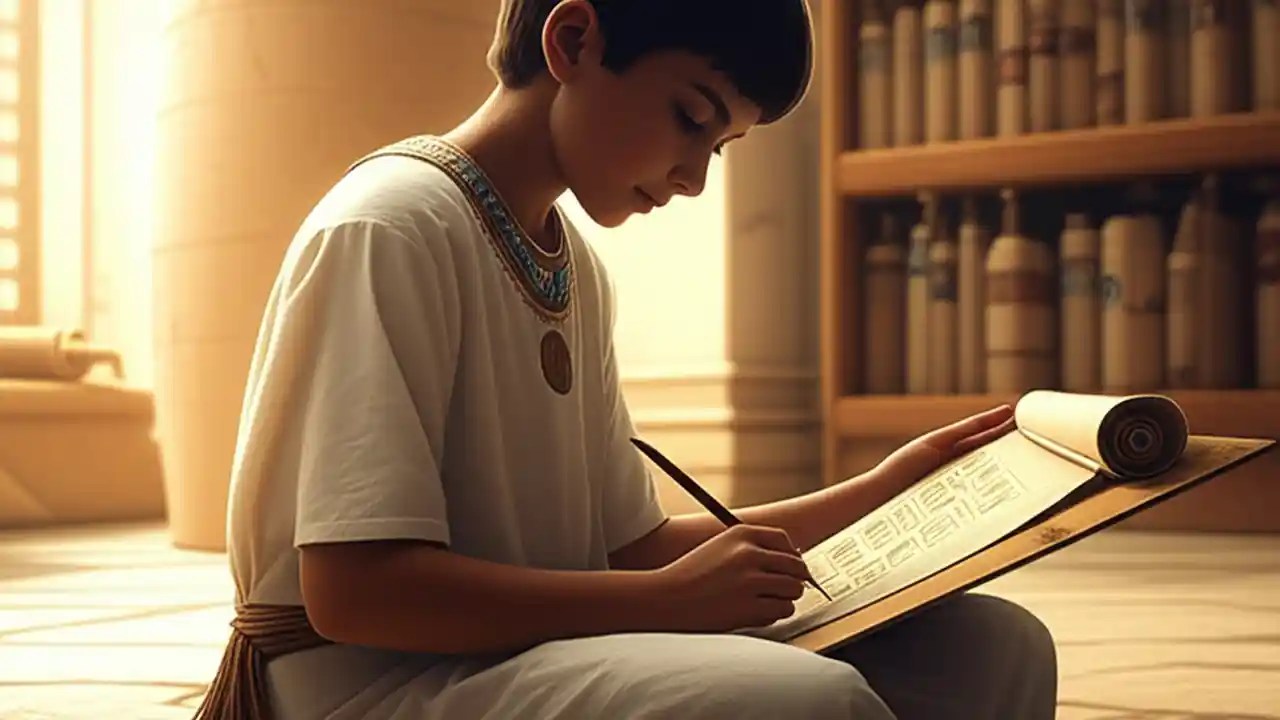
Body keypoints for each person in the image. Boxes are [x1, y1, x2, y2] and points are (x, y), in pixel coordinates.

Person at [195, 1, 1058, 718]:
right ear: (573, 42)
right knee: (804, 703)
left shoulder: (573, 264)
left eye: (717, 148)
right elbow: (357, 595)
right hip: (374, 684)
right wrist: (669, 606)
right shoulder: (391, 225)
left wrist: (891, 488)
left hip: (521, 653)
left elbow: (628, 550)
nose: (694, 179)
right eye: (692, 119)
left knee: (991, 650)